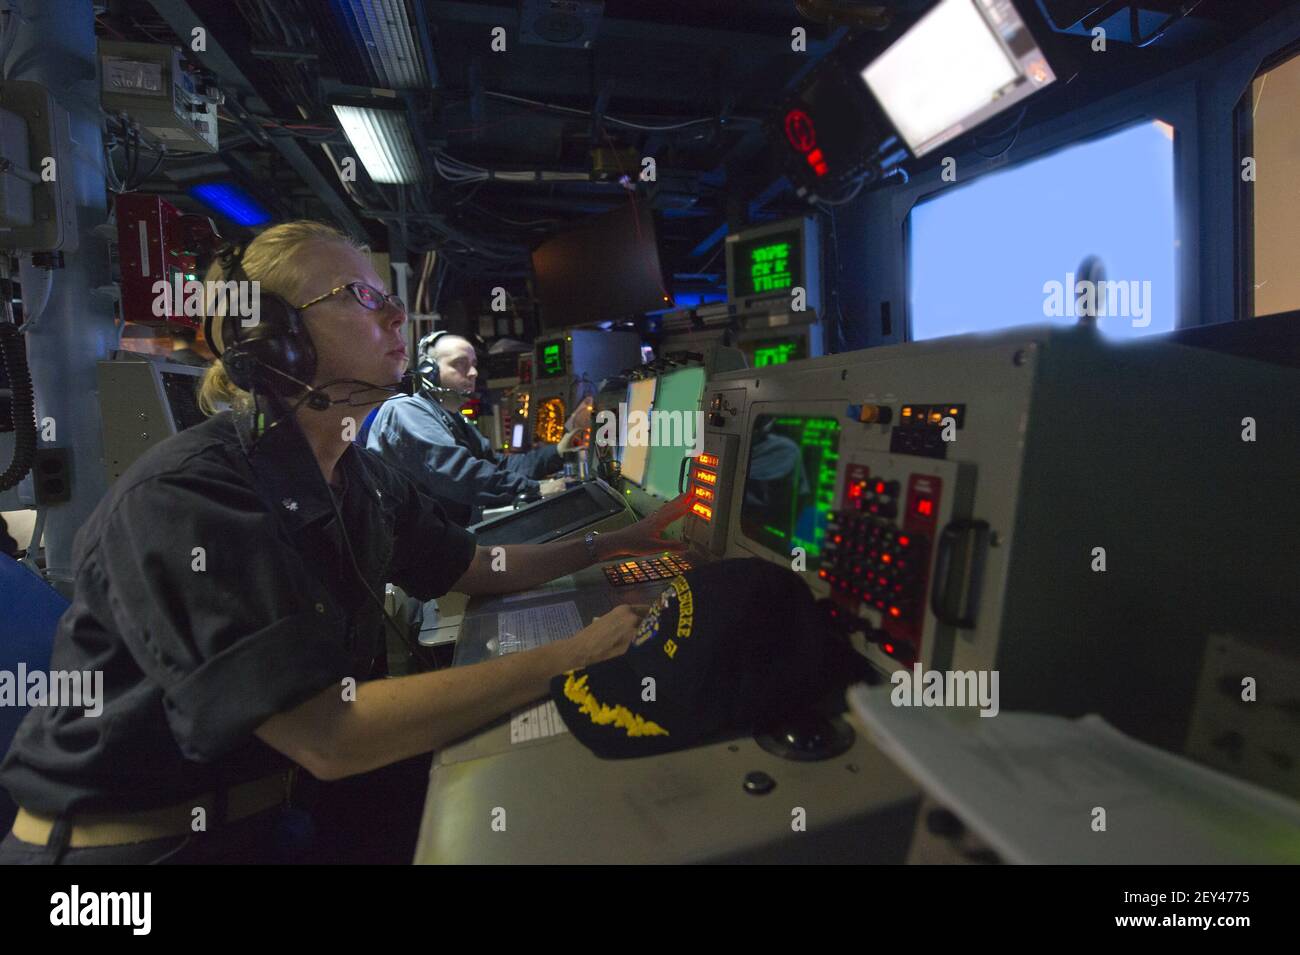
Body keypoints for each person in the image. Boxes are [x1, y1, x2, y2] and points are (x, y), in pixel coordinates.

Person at [0, 220, 691, 864]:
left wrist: (606, 545)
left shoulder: (358, 475)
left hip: (284, 806)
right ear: (277, 340)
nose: (398, 317)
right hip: (136, 850)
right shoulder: (190, 496)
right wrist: (569, 656)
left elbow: (477, 564)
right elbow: (329, 732)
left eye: (392, 301)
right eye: (363, 297)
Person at [365, 330, 591, 523]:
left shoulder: (453, 418)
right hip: (416, 552)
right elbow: (459, 474)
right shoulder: (406, 410)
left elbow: (500, 465)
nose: (473, 373)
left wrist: (558, 451)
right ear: (429, 372)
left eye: (473, 364)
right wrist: (534, 489)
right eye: (460, 364)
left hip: (451, 533)